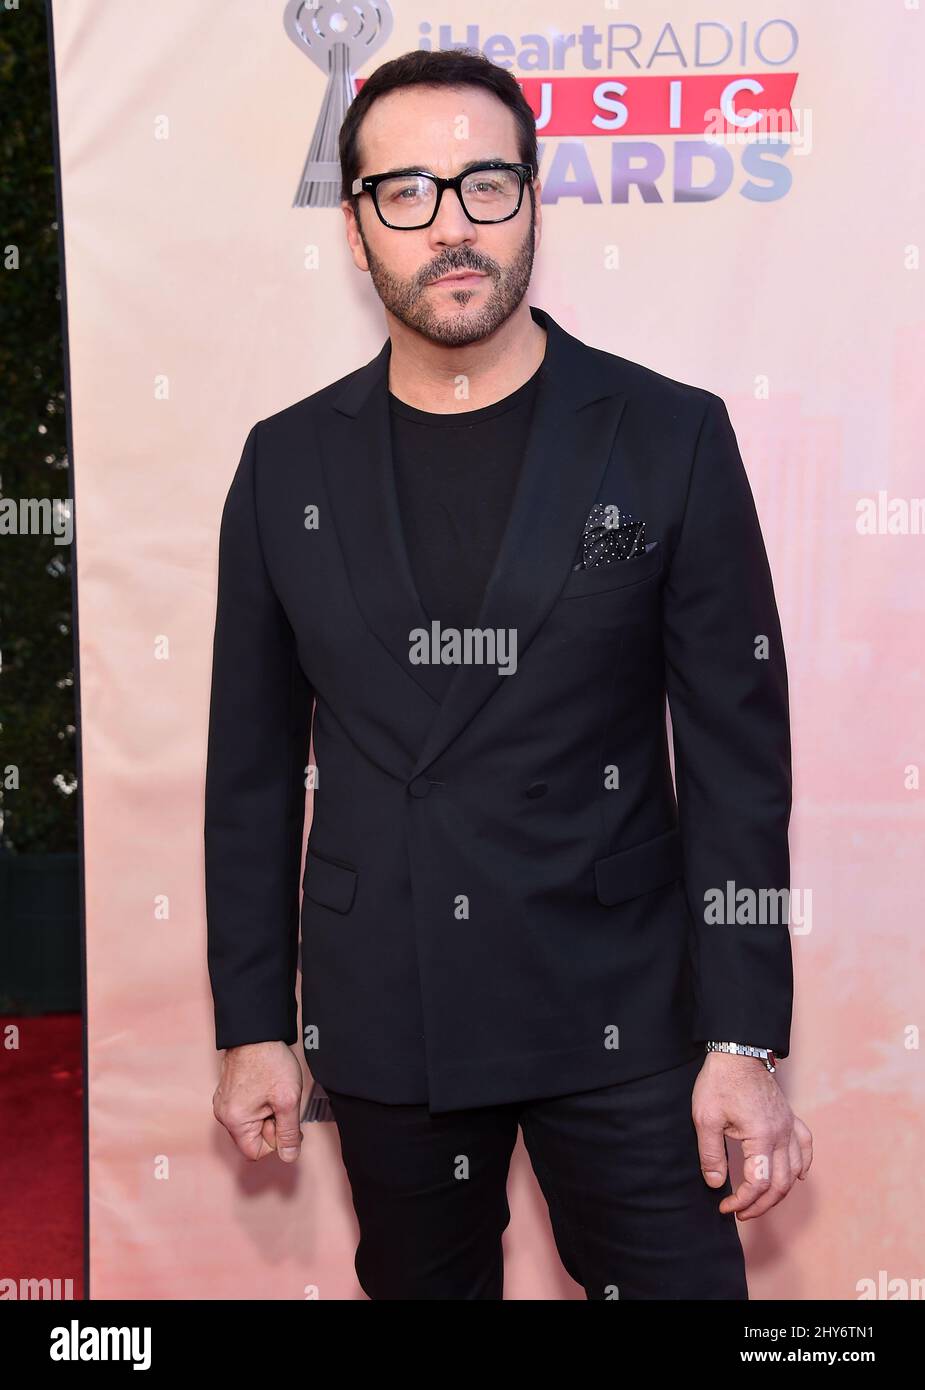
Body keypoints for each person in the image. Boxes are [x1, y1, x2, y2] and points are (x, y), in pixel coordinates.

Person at [206, 47, 813, 1300]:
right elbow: (250, 776)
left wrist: (744, 1035)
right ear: (357, 222)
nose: (453, 226)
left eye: (486, 184)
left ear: (534, 199)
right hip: (390, 1007)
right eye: (408, 192)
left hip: (625, 1005)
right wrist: (254, 1023)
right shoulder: (282, 468)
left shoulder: (667, 435)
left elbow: (739, 768)